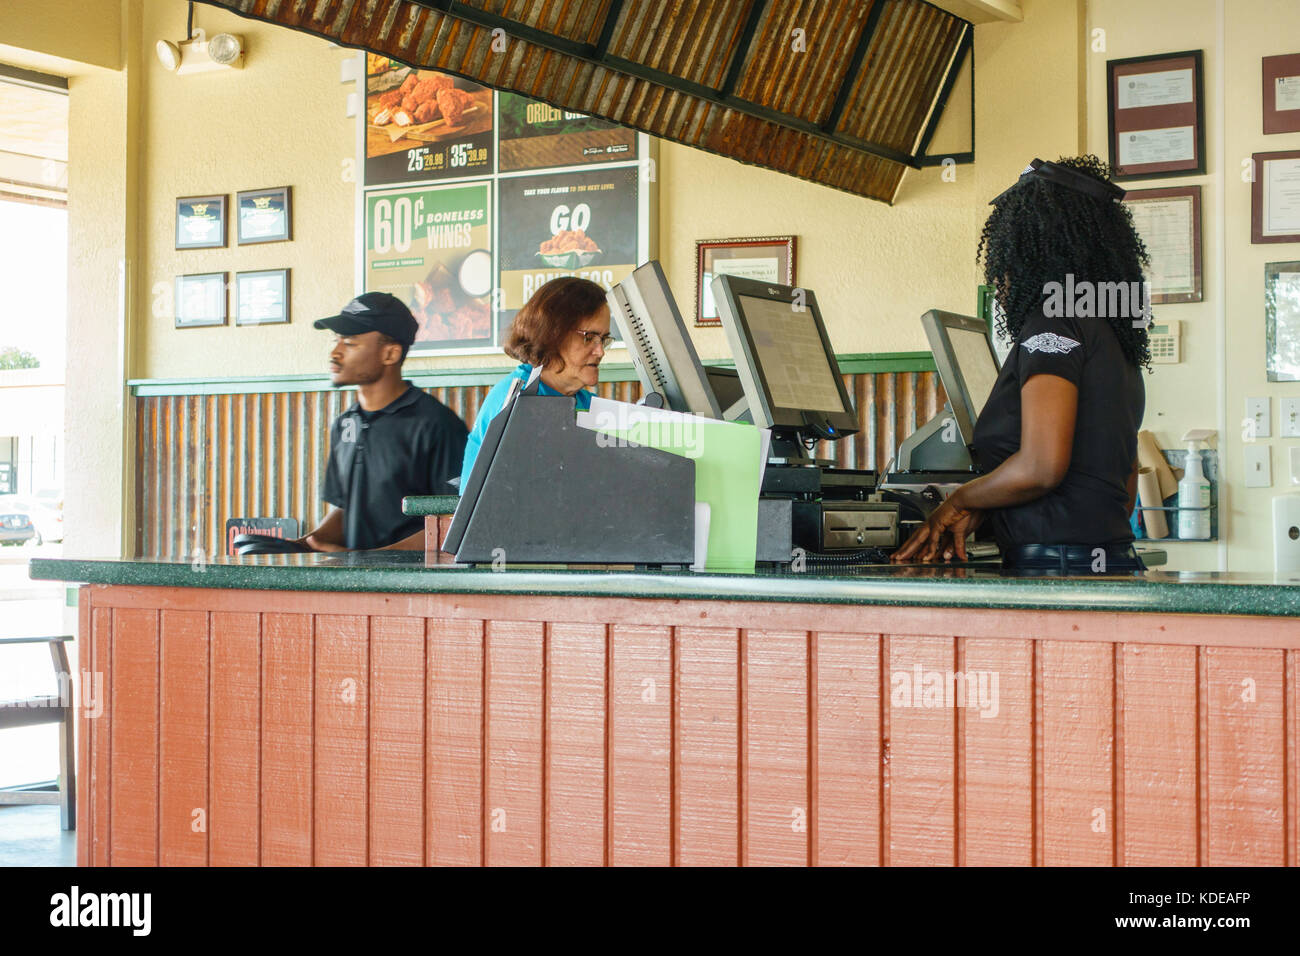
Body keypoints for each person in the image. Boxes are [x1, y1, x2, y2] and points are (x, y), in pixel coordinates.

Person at [893, 155, 1150, 574]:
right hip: (1112, 560)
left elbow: (1041, 467)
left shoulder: (1053, 321)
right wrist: (992, 501)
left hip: (1058, 570)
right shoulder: (1114, 334)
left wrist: (959, 501)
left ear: (1027, 247)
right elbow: (1124, 479)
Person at [296, 292, 468, 551]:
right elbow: (347, 507)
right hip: (357, 584)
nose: (335, 353)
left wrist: (372, 561)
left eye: (350, 343)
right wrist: (305, 544)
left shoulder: (436, 425)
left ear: (390, 354)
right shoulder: (345, 424)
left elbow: (453, 523)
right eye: (337, 341)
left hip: (416, 587)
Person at [459, 276, 612, 488]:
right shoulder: (515, 400)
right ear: (552, 334)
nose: (600, 351)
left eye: (603, 339)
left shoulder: (588, 404)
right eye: (589, 337)